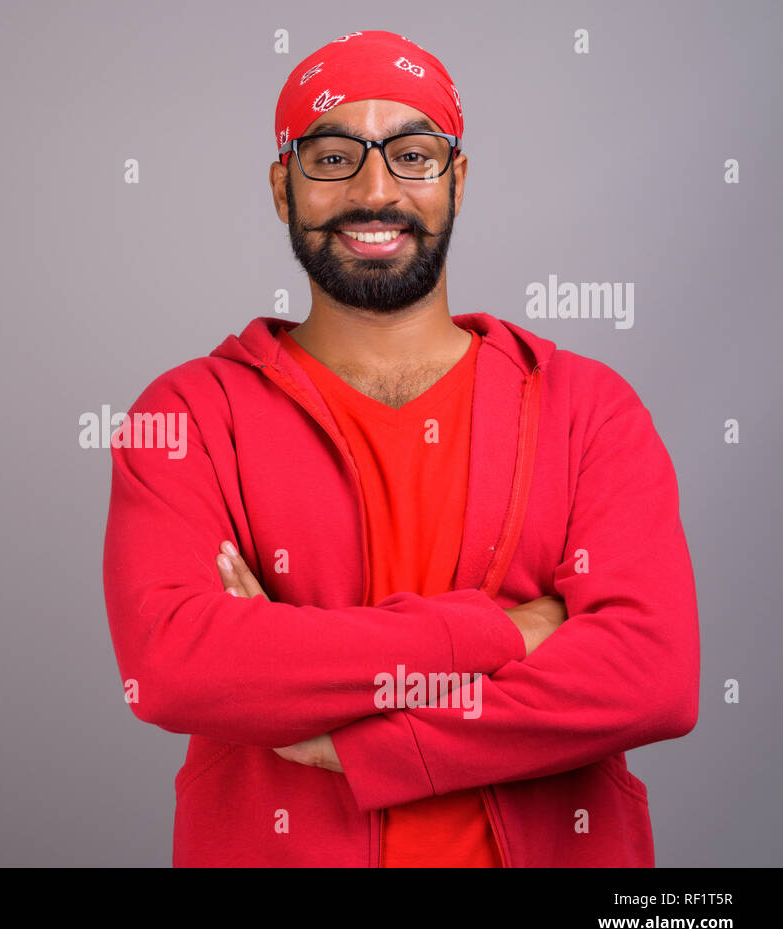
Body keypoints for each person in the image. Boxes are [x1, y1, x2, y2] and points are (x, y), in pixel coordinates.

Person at [101, 30, 700, 867]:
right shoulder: (191, 416)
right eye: (334, 156)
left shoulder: (585, 407)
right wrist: (501, 634)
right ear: (284, 186)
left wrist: (356, 732)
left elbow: (653, 678)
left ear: (457, 180)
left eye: (413, 154)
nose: (375, 190)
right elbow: (175, 666)